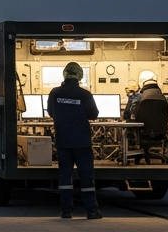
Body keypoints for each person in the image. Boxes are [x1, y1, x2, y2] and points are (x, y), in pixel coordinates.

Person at [47, 62, 102, 220]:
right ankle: (92, 211)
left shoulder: (55, 93)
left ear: (64, 75)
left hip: (63, 141)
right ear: (80, 76)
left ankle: (66, 211)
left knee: (65, 177)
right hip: (82, 142)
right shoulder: (84, 95)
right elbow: (93, 115)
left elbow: (51, 112)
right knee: (86, 177)